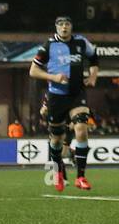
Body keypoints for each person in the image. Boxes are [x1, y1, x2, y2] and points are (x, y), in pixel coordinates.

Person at [29, 15, 99, 192]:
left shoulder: (82, 42)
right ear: (56, 28)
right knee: (57, 140)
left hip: (77, 93)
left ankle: (81, 177)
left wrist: (92, 76)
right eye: (61, 25)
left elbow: (94, 57)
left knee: (82, 130)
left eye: (67, 24)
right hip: (57, 96)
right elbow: (33, 70)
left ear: (71, 27)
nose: (64, 27)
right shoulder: (48, 46)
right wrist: (53, 77)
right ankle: (58, 172)